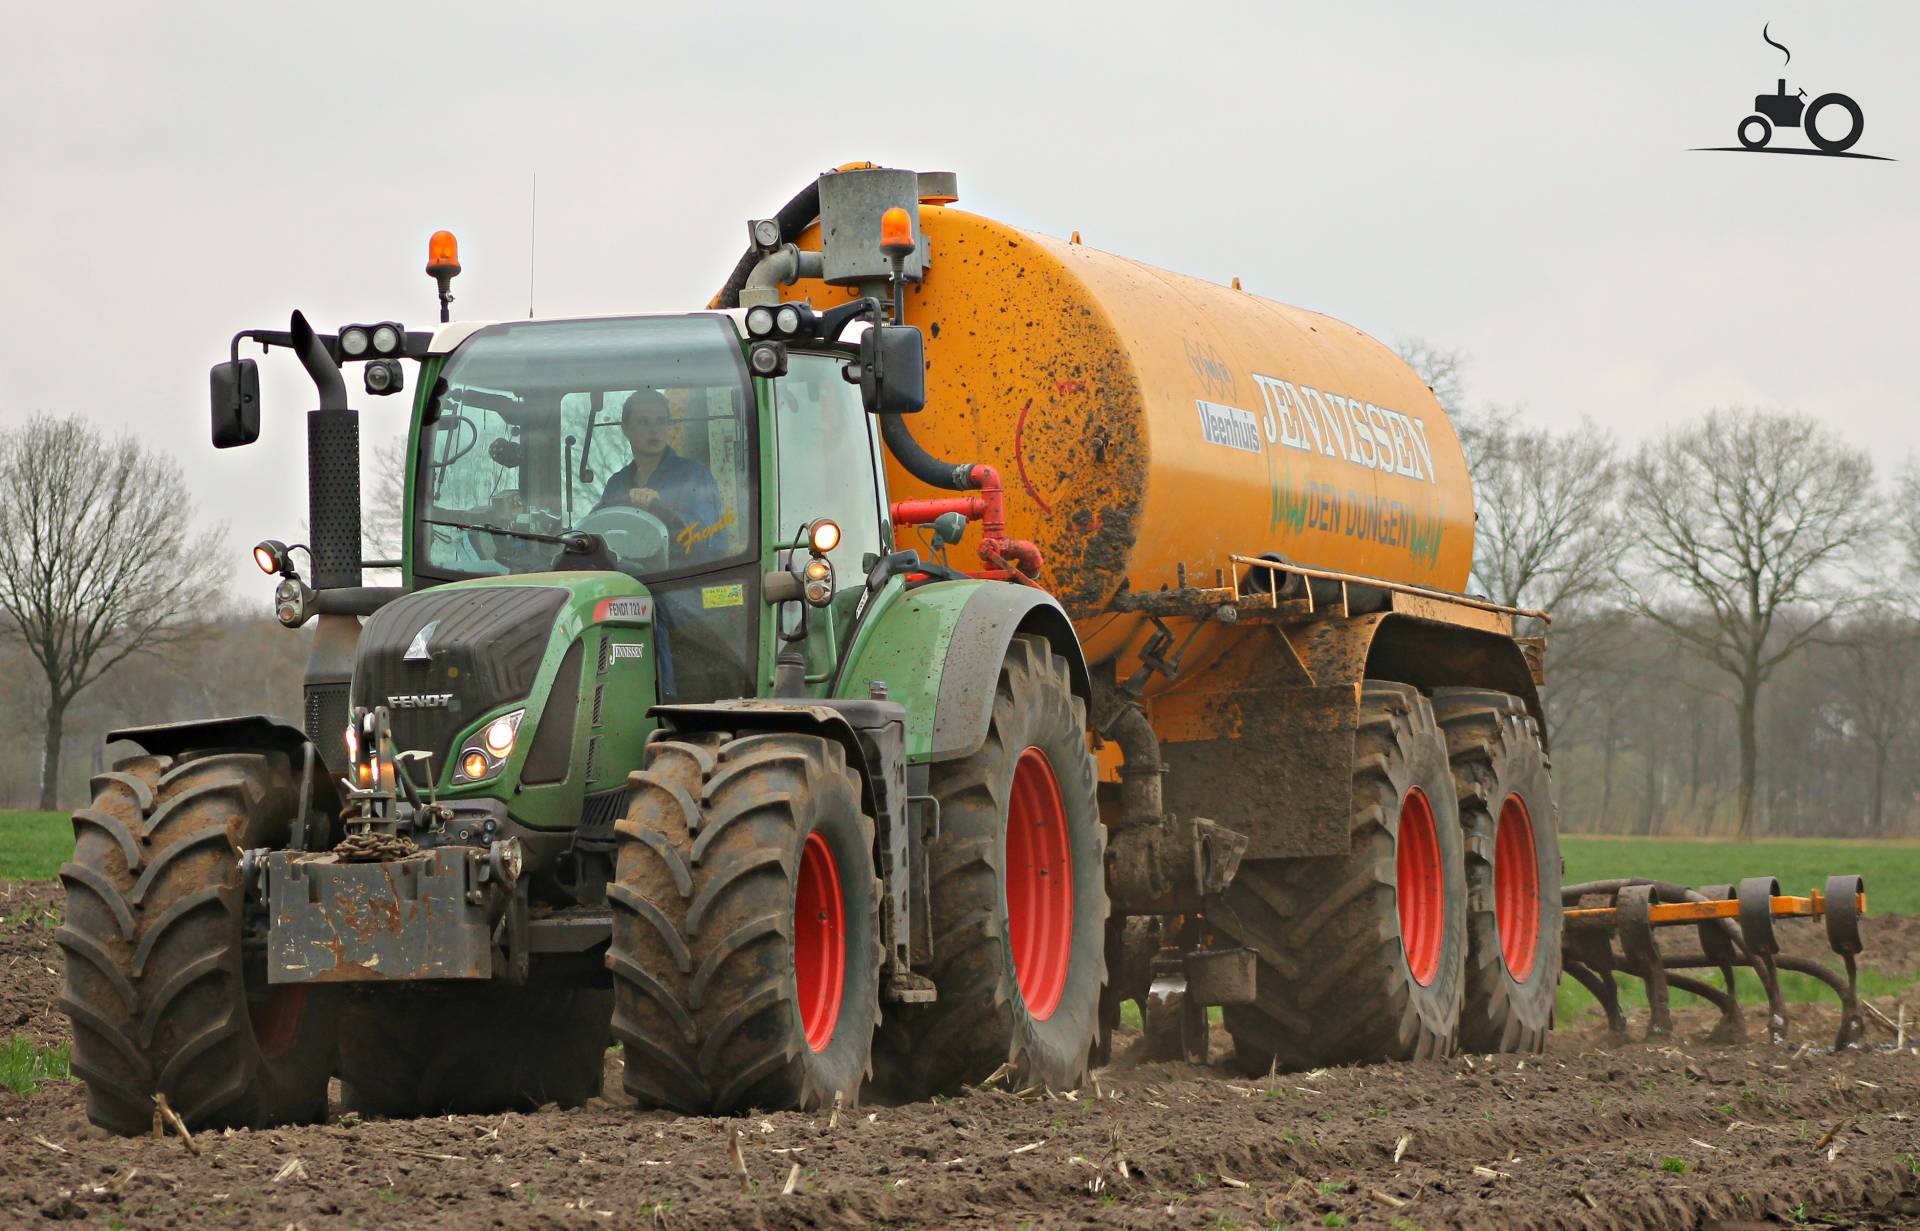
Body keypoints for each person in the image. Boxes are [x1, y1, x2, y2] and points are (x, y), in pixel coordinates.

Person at [595, 389, 724, 560]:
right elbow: (601, 531)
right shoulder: (616, 483)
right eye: (644, 422)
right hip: (626, 577)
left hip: (681, 579)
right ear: (626, 429)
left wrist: (663, 507)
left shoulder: (694, 476)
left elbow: (708, 540)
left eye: (661, 422)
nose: (654, 429)